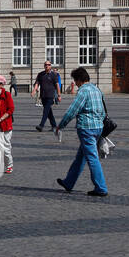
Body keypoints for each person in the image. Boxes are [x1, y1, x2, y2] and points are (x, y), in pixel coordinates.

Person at [55, 66, 109, 197]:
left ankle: (101, 187)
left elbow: (73, 110)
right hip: (97, 127)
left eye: (75, 81)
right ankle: (69, 182)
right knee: (81, 156)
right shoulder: (97, 90)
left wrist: (61, 125)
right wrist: (99, 124)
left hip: (86, 128)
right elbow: (103, 111)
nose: (76, 84)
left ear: (79, 80)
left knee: (92, 157)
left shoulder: (83, 91)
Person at [34, 62, 61, 131]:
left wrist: (59, 95)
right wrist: (34, 90)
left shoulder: (54, 75)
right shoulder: (40, 74)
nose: (47, 66)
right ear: (44, 66)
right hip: (43, 95)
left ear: (50, 66)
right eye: (45, 65)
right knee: (49, 112)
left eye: (48, 65)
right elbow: (37, 82)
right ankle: (54, 126)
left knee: (45, 111)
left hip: (50, 95)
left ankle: (41, 125)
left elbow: (57, 85)